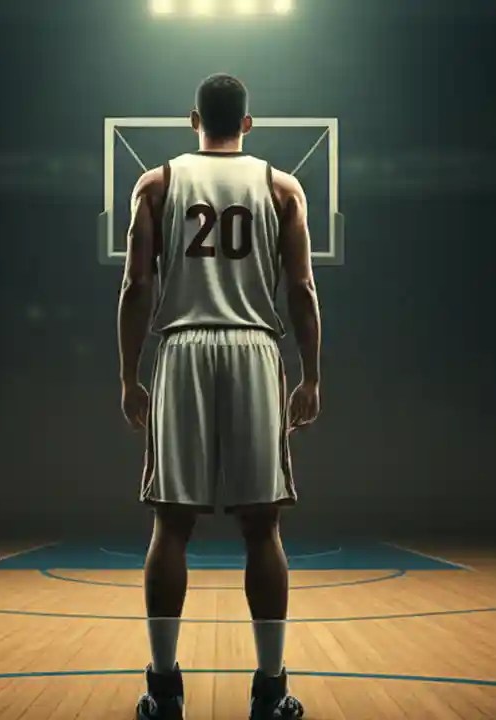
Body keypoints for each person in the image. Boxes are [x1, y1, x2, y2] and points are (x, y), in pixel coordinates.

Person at [117, 72, 321, 720]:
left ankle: (163, 689)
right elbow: (302, 291)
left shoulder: (157, 182)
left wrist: (129, 375)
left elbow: (135, 286)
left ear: (192, 119)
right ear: (250, 123)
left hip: (181, 348)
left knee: (170, 523)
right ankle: (269, 690)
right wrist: (311, 375)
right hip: (256, 348)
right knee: (262, 526)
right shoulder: (282, 186)